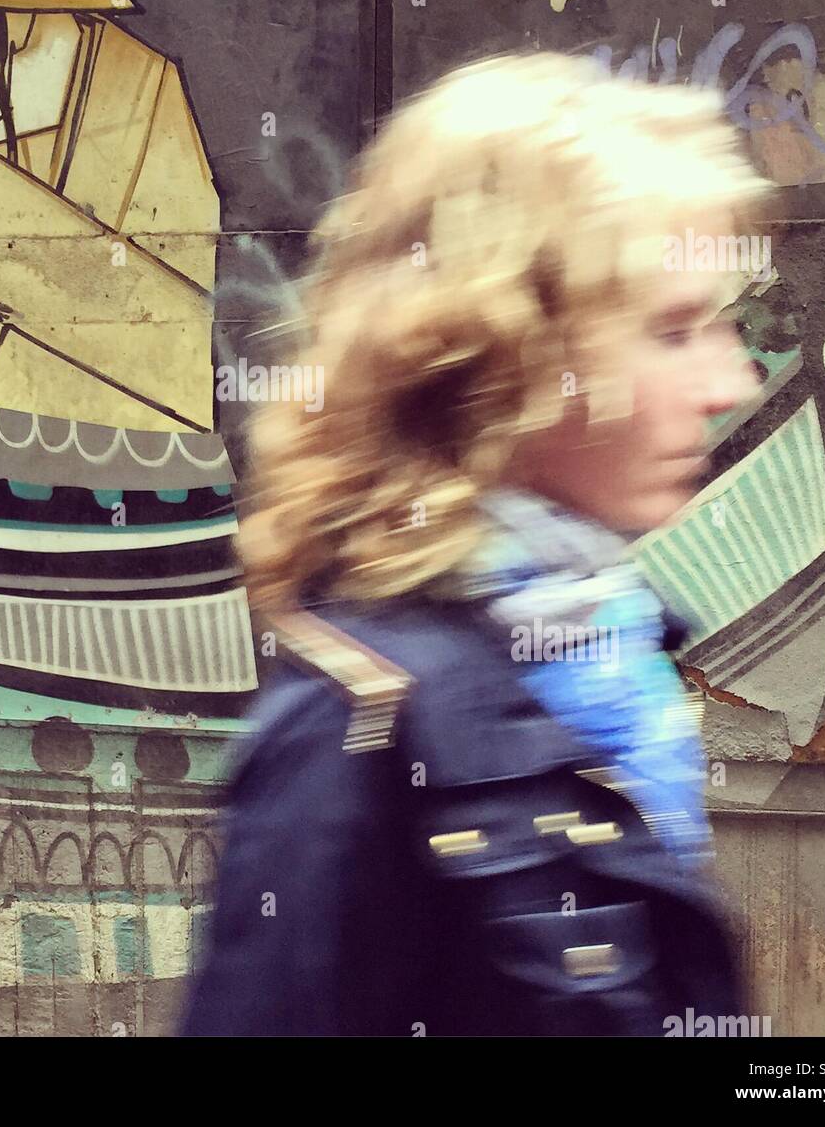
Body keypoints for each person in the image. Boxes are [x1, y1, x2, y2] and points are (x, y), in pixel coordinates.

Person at [179, 50, 772, 1037]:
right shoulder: (352, 725)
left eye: (720, 325)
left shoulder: (608, 654)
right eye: (673, 331)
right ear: (507, 359)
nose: (730, 381)